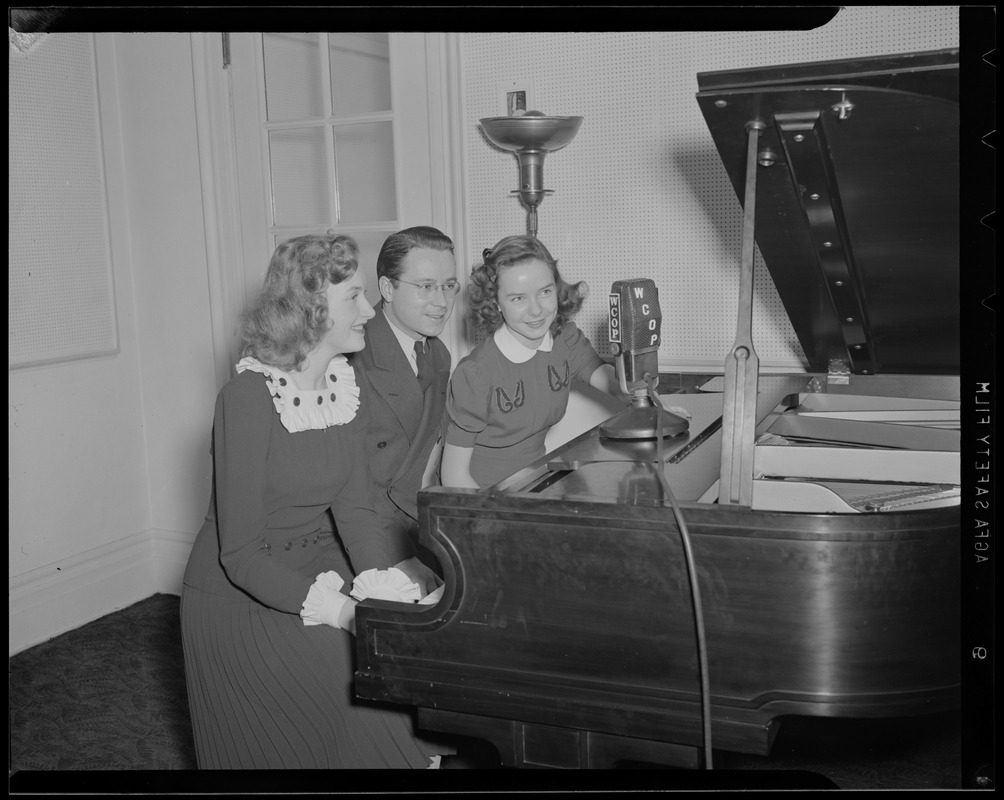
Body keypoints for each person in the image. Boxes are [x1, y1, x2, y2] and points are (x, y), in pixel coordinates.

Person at [180, 232, 448, 769]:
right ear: (310, 307)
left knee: (409, 673)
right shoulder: (247, 399)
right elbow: (240, 554)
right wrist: (345, 611)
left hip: (318, 567)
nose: (370, 309)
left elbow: (354, 510)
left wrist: (377, 586)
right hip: (243, 594)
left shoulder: (340, 384)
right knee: (353, 681)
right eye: (353, 296)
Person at [440, 234, 624, 490]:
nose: (536, 310)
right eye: (518, 298)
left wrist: (649, 401)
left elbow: (610, 380)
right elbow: (453, 477)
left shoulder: (565, 340)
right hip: (485, 498)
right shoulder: (475, 374)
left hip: (537, 483)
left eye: (545, 292)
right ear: (496, 303)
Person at [349, 226, 458, 557]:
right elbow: (347, 488)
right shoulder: (350, 356)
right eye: (425, 287)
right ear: (387, 288)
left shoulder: (438, 354)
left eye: (449, 286)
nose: (441, 302)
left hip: (413, 528)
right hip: (359, 539)